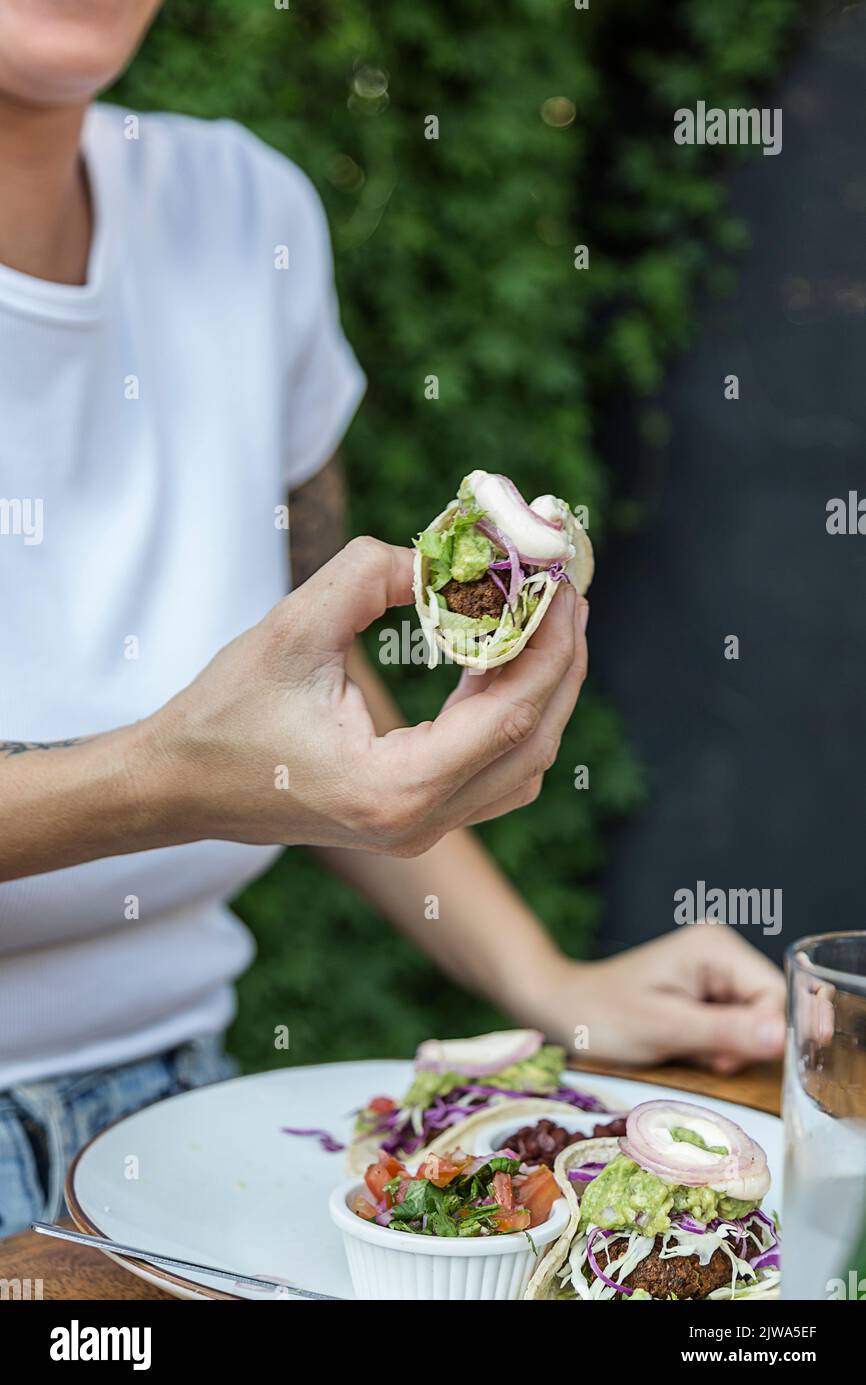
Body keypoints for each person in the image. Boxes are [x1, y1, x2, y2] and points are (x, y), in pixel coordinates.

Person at [0, 0, 784, 1237]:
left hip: (174, 1122)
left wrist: (545, 980)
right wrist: (165, 779)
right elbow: (225, 751)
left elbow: (311, 681)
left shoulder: (241, 209)